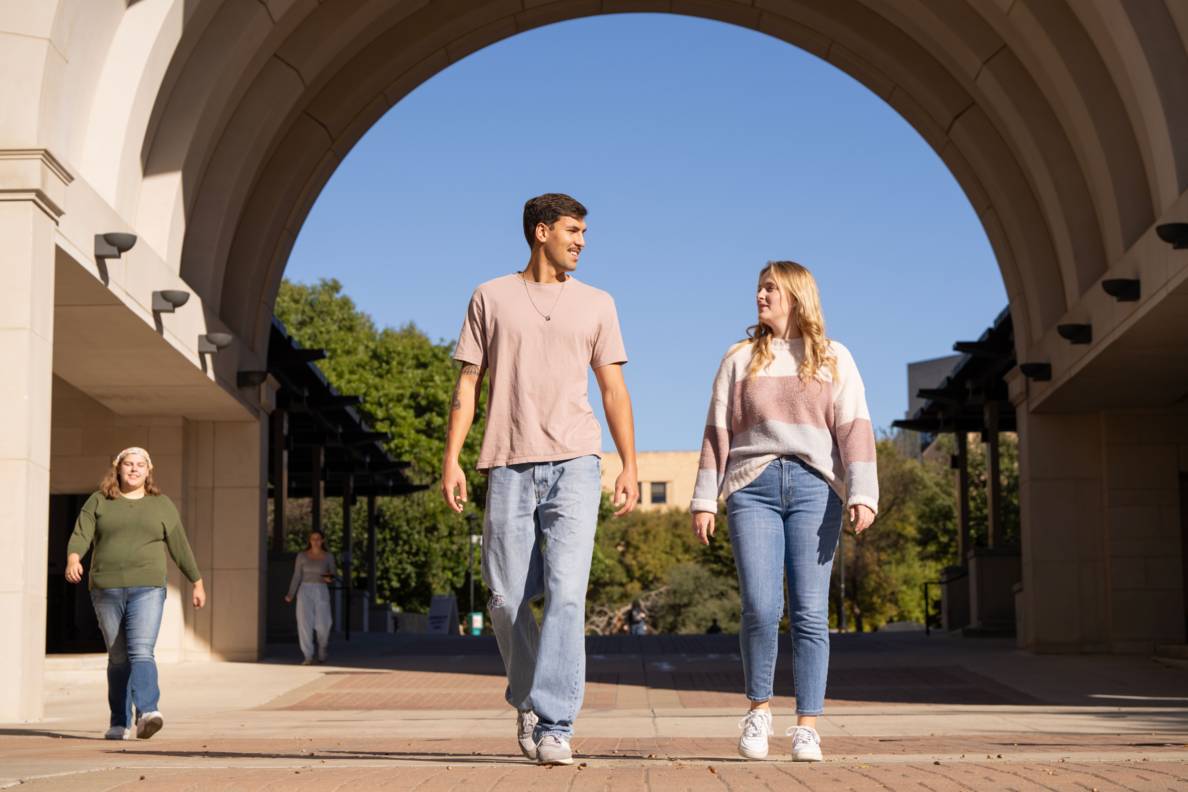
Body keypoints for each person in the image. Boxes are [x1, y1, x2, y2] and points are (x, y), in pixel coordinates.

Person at [441, 193, 639, 766]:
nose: (581, 240)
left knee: (567, 595)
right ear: (541, 231)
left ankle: (555, 723)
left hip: (577, 461)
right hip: (506, 461)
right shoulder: (490, 296)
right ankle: (527, 697)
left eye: (585, 232)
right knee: (504, 600)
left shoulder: (598, 303)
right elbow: (467, 385)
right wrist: (452, 459)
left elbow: (612, 390)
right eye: (573, 230)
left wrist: (630, 462)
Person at [689, 261, 877, 763]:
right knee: (761, 606)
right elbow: (716, 432)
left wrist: (862, 492)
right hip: (752, 488)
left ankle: (808, 726)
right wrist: (705, 499)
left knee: (811, 614)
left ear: (796, 295)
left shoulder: (835, 358)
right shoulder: (739, 358)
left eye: (771, 288)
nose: (760, 295)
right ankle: (758, 711)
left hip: (817, 489)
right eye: (758, 287)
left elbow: (855, 428)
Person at [64, 447, 205, 741]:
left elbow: (179, 545)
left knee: (141, 650)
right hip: (106, 587)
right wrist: (74, 557)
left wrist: (197, 581)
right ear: (118, 469)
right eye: (129, 464)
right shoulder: (100, 500)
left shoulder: (161, 504)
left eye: (140, 465)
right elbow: (82, 532)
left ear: (148, 471)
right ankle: (119, 721)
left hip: (148, 587)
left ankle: (149, 711)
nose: (134, 469)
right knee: (117, 657)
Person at [284, 529, 337, 665]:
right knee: (304, 622)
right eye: (313, 539)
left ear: (322, 540)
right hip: (304, 589)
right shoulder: (302, 556)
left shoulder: (328, 556)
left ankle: (322, 646)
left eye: (318, 538)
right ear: (310, 540)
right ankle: (308, 655)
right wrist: (291, 593)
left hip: (321, 589)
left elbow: (333, 574)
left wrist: (329, 578)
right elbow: (297, 576)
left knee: (324, 623)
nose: (315, 541)